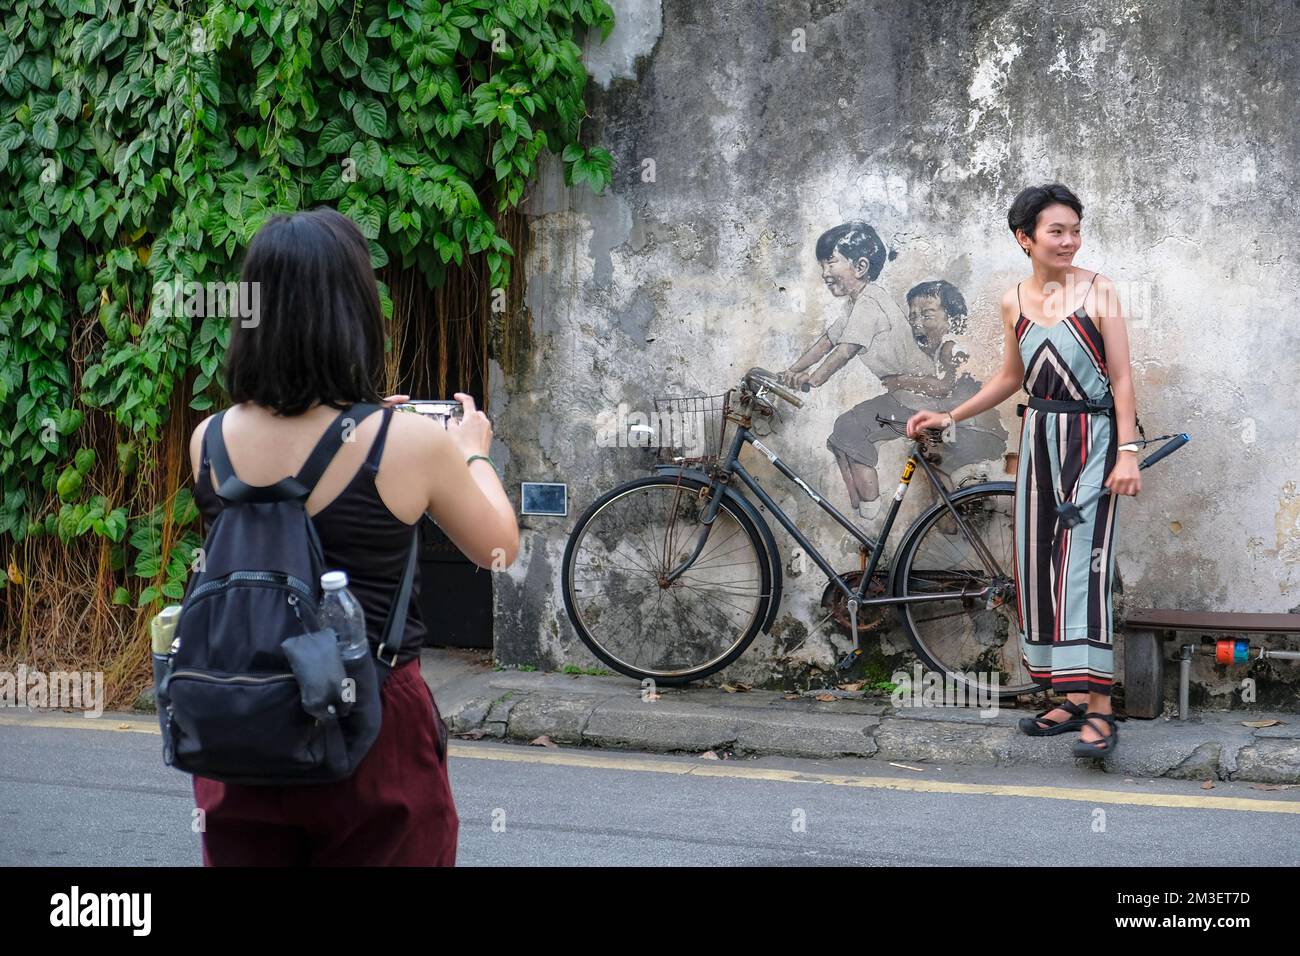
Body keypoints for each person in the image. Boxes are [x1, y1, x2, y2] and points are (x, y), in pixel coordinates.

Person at [185, 207, 520, 863]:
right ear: (354, 313)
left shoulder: (209, 439)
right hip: (374, 732)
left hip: (244, 726)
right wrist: (472, 450)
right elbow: (496, 546)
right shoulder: (411, 445)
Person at [906, 183, 1141, 757]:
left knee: (1082, 569)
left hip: (1093, 439)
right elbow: (1010, 378)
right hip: (1038, 437)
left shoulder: (1099, 290)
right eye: (1056, 231)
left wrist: (1129, 450)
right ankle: (1066, 696)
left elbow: (1124, 378)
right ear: (1025, 238)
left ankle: (1102, 709)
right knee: (1037, 570)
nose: (1068, 241)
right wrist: (950, 413)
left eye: (1074, 230)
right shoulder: (1013, 299)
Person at [779, 221, 932, 522]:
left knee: (850, 429)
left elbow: (845, 351)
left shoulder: (870, 303)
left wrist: (814, 379)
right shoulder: (855, 304)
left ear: (860, 266)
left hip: (917, 398)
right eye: (822, 265)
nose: (824, 273)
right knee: (841, 436)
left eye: (831, 262)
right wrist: (790, 370)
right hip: (903, 397)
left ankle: (871, 518)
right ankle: (859, 513)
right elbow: (827, 342)